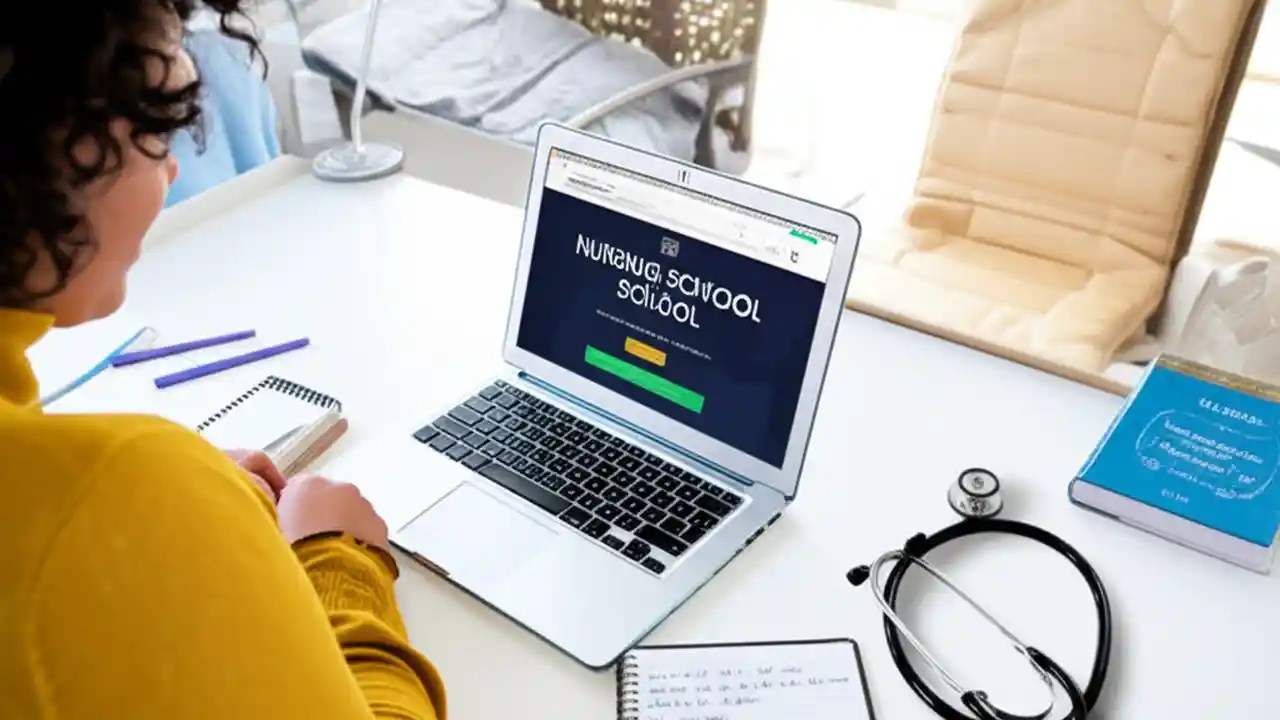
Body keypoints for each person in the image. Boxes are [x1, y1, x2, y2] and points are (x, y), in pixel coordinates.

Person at [0, 3, 444, 719]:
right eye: (153, 130)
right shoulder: (126, 484)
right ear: (42, 150)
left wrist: (154, 507)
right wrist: (339, 557)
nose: (173, 168)